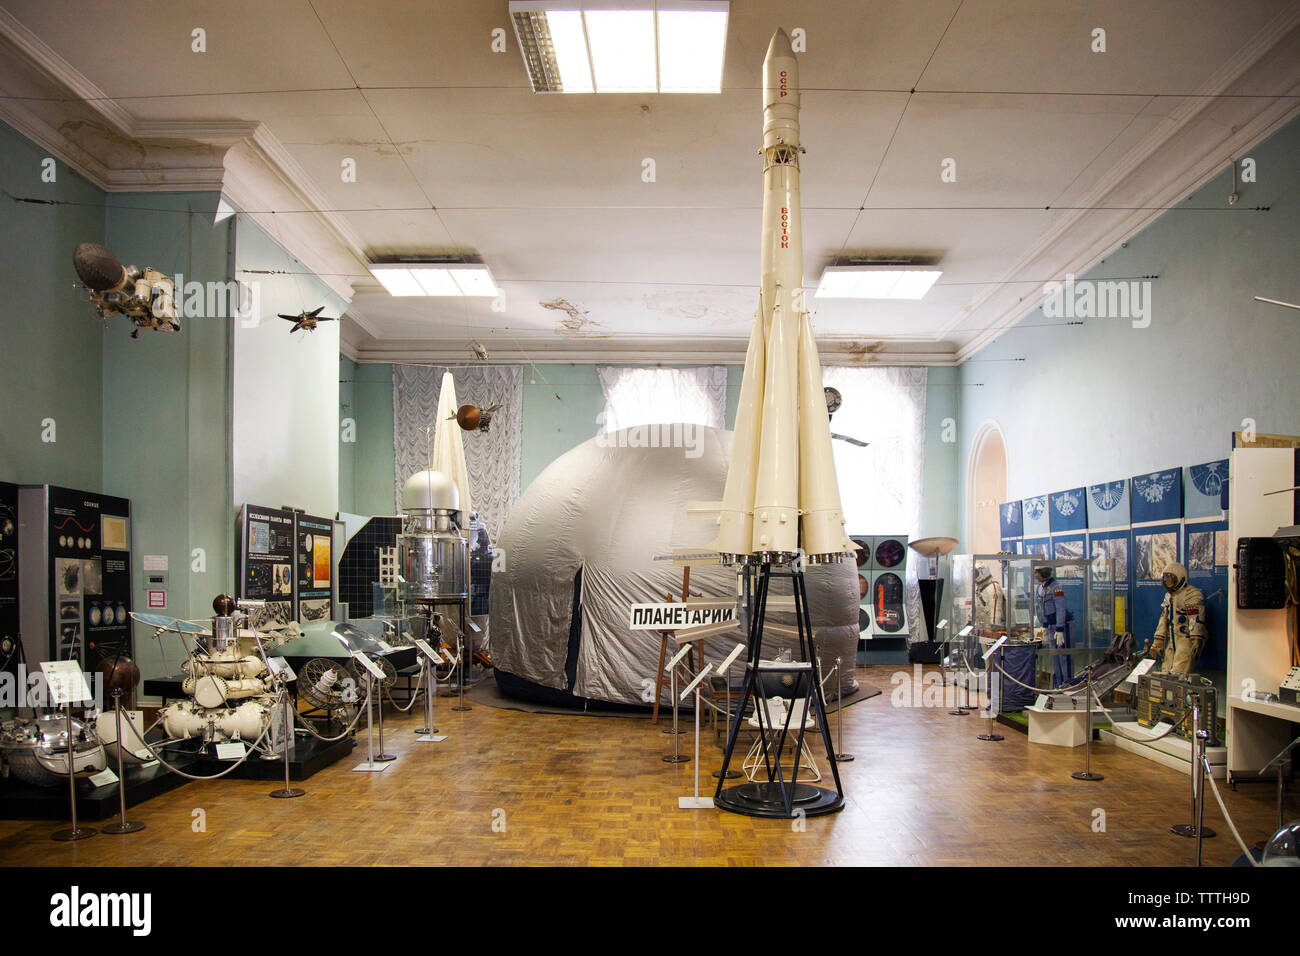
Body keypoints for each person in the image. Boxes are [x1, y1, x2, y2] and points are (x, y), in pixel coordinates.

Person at [1146, 561, 1205, 678]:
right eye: (1165, 578)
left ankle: (1179, 694)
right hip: (1172, 638)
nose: (1167, 581)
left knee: (1179, 670)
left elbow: (1195, 618)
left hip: (1185, 638)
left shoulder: (1191, 594)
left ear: (1180, 578)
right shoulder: (1169, 597)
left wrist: (1196, 638)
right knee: (1166, 668)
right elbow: (1163, 620)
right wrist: (1158, 640)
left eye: (1170, 578)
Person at [1035, 566, 1073, 686]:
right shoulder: (1041, 588)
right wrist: (1045, 626)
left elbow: (1060, 608)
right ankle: (1058, 684)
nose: (1035, 575)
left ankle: (1067, 683)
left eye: (1037, 573)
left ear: (1044, 573)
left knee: (1063, 656)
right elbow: (1043, 608)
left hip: (1061, 627)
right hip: (1051, 626)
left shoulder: (1057, 588)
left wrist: (1060, 629)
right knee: (1054, 656)